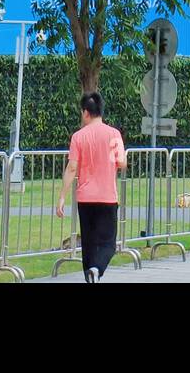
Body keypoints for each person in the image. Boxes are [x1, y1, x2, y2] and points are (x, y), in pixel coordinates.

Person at [56, 91, 126, 283]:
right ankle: (97, 269)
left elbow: (72, 167)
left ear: (86, 112)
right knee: (108, 243)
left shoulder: (78, 137)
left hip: (85, 198)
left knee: (88, 242)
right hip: (107, 196)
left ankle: (90, 274)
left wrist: (62, 196)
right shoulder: (114, 134)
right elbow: (121, 162)